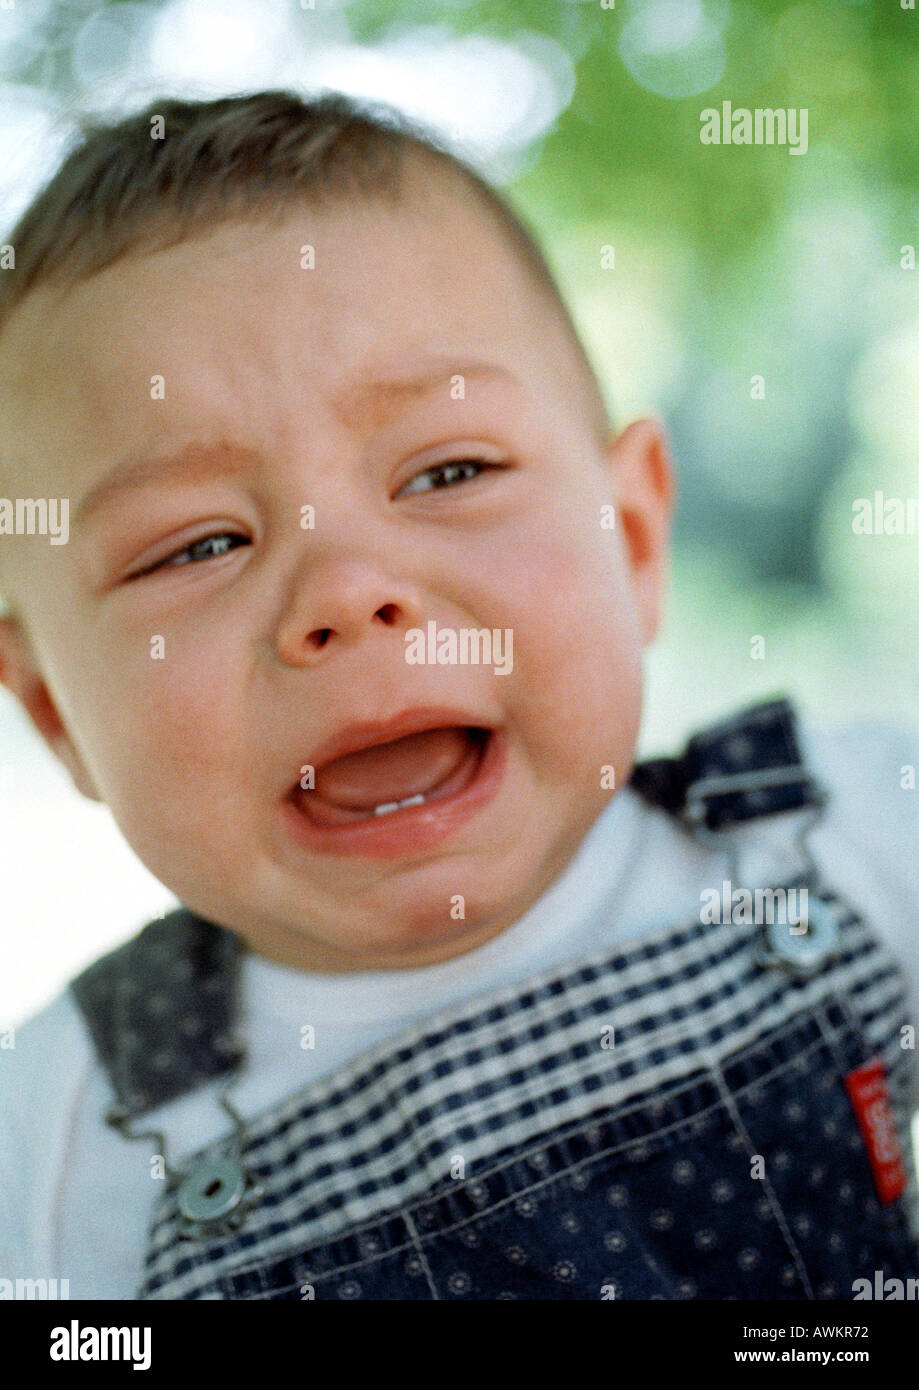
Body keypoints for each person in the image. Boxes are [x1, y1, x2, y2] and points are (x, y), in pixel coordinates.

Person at [0, 91, 916, 1301]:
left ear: (633, 539)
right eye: (196, 546)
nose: (344, 590)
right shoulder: (58, 1150)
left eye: (447, 469)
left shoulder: (860, 836)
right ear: (57, 708)